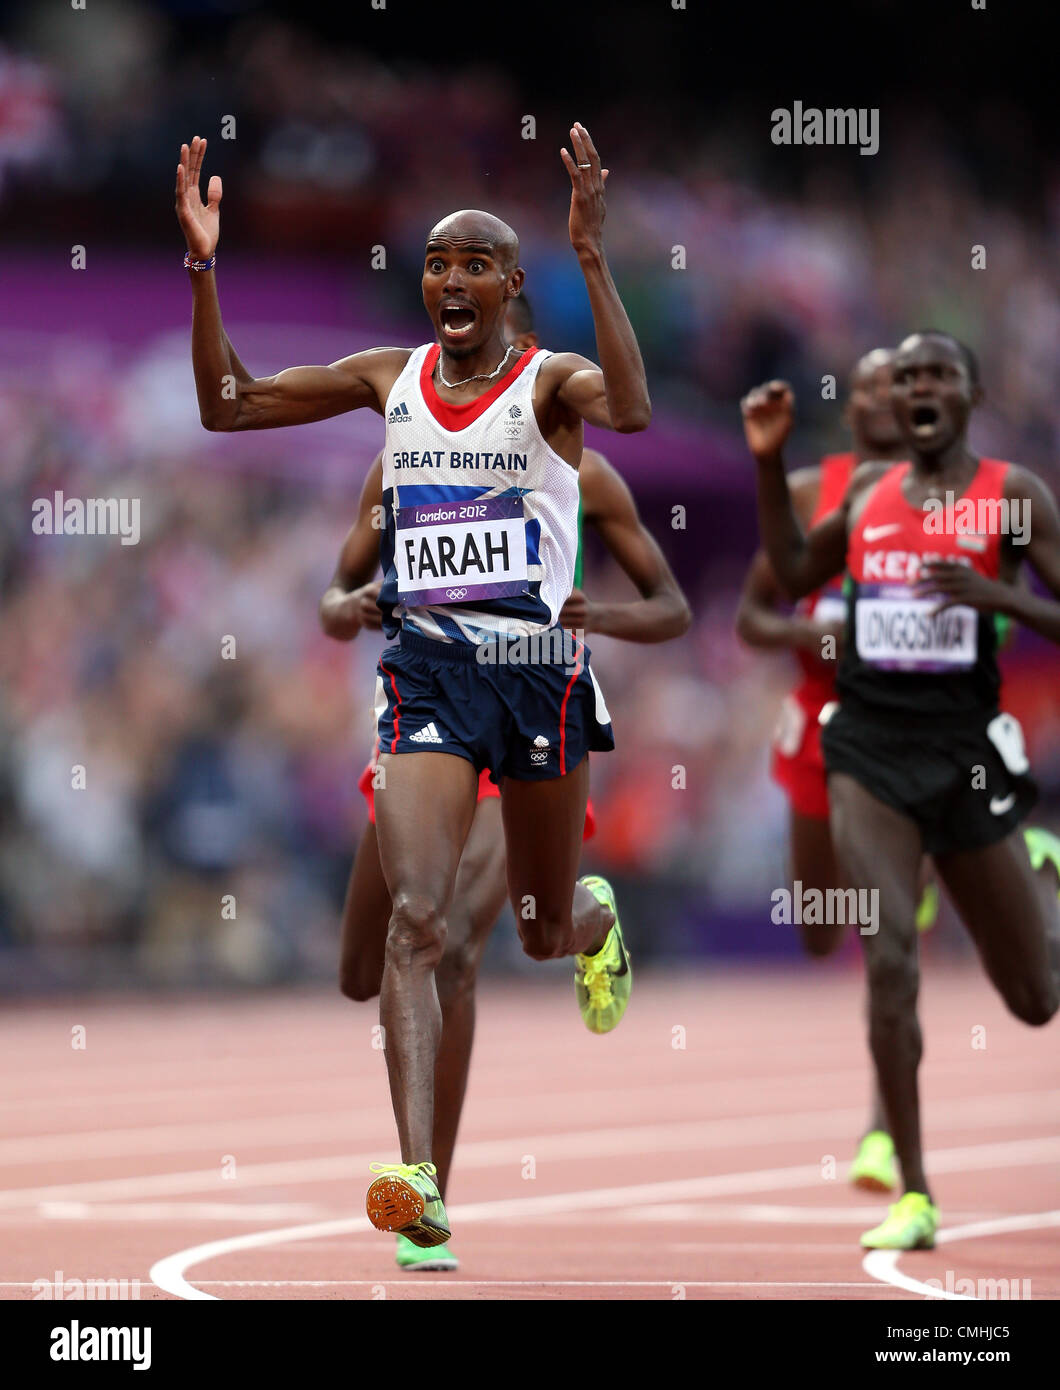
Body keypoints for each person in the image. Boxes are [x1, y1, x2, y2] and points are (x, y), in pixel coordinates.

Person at [176, 122, 652, 1250]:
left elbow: (629, 409)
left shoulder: (550, 384)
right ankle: (417, 1181)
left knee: (538, 928)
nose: (450, 278)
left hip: (535, 669)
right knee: (418, 923)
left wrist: (594, 255)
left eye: (474, 262)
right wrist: (202, 269)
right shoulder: (386, 379)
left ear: (510, 286)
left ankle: (596, 927)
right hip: (430, 673)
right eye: (437, 262)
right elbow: (226, 404)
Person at [322, 298, 690, 1270]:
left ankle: (422, 1191)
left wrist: (595, 615)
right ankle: (585, 917)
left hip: (524, 714)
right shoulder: (404, 454)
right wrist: (348, 602)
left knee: (447, 944)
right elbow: (334, 590)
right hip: (418, 719)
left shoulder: (584, 471)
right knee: (363, 967)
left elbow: (673, 609)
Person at [742, 330, 1060, 1250]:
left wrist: (1004, 602)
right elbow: (796, 574)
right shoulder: (871, 496)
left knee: (1037, 998)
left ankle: (1040, 877)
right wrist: (768, 467)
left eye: (939, 375)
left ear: (971, 393)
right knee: (887, 959)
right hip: (868, 750)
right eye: (908, 374)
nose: (921, 388)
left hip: (964, 753)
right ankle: (913, 1190)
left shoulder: (1014, 497)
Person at [736, 348, 921, 1194]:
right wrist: (802, 637)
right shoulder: (814, 492)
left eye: (900, 389)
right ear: (848, 409)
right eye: (868, 390)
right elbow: (750, 617)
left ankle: (885, 1134)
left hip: (914, 733)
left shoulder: (955, 497)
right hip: (817, 725)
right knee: (818, 930)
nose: (882, 402)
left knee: (890, 942)